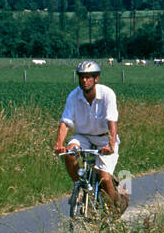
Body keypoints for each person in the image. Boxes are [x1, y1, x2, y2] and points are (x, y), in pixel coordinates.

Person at [53, 60, 128, 215]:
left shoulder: (107, 94)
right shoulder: (74, 96)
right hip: (83, 136)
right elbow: (65, 122)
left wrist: (111, 144)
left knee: (104, 177)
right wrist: (59, 143)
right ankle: (79, 187)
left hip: (103, 138)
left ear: (96, 79)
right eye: (81, 77)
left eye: (88, 77)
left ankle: (116, 207)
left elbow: (112, 122)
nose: (84, 80)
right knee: (69, 153)